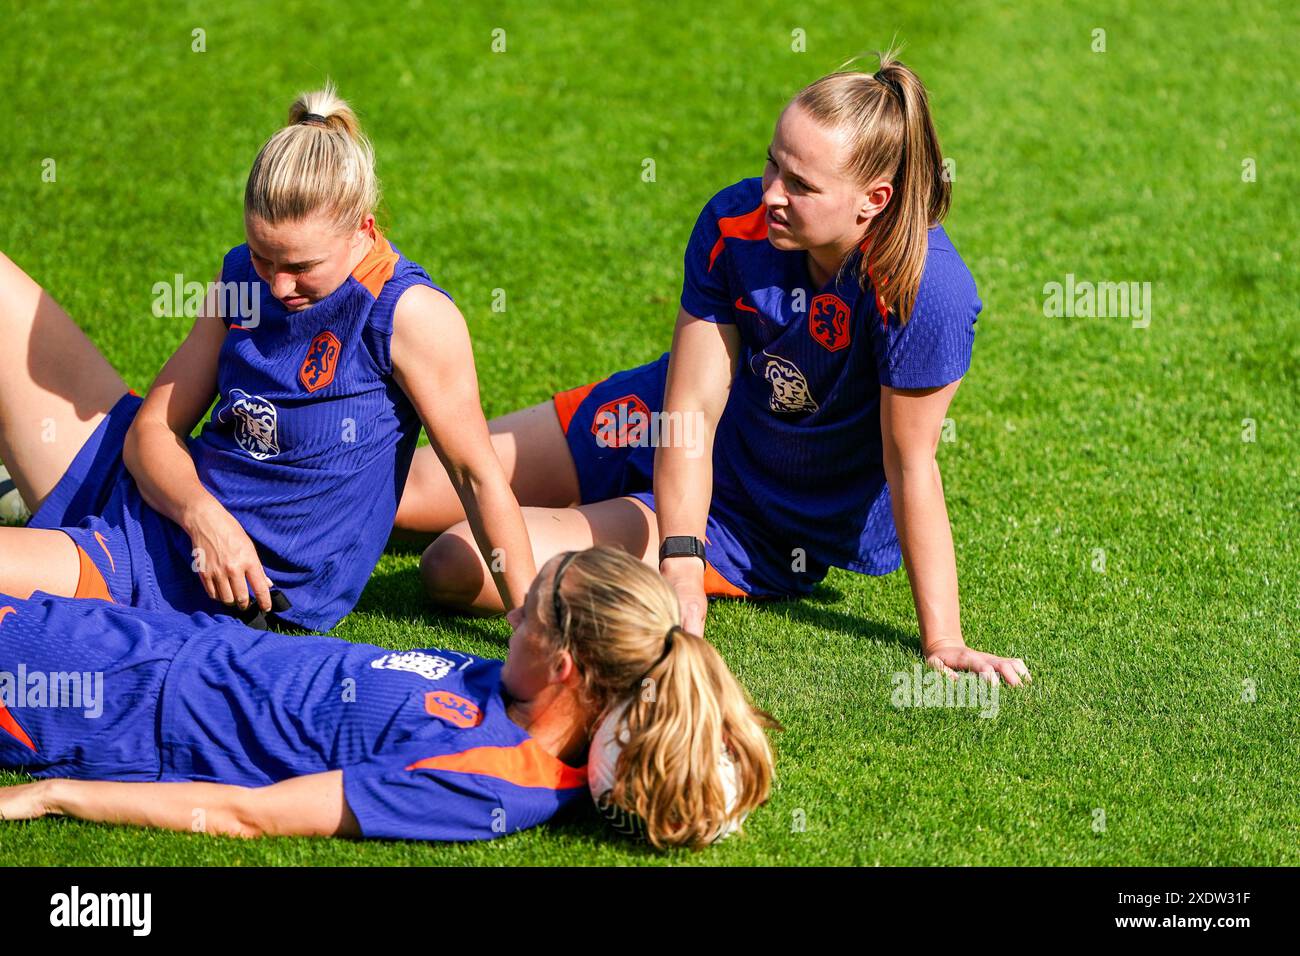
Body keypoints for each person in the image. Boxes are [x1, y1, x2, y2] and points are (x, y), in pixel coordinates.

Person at [393, 53, 1030, 685]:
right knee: (408, 493)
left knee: (458, 564)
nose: (772, 194)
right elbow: (691, 408)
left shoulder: (926, 291)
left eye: (801, 185)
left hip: (751, 520)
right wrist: (676, 560)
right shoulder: (735, 220)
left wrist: (943, 640)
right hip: (662, 414)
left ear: (873, 201)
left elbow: (911, 462)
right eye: (772, 163)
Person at [0, 82, 533, 632]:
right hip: (165, 500)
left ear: (364, 232)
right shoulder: (239, 277)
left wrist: (529, 621)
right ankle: (35, 509)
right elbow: (151, 433)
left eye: (301, 266)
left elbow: (476, 477)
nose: (277, 286)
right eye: (262, 256)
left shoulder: (410, 317)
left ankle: (38, 525)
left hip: (186, 580)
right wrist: (203, 515)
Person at [0, 546, 776, 848]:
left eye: (529, 611)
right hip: (162, 640)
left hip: (111, 704)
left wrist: (57, 797)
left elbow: (251, 815)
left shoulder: (487, 779)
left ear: (565, 667)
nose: (511, 616)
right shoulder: (512, 694)